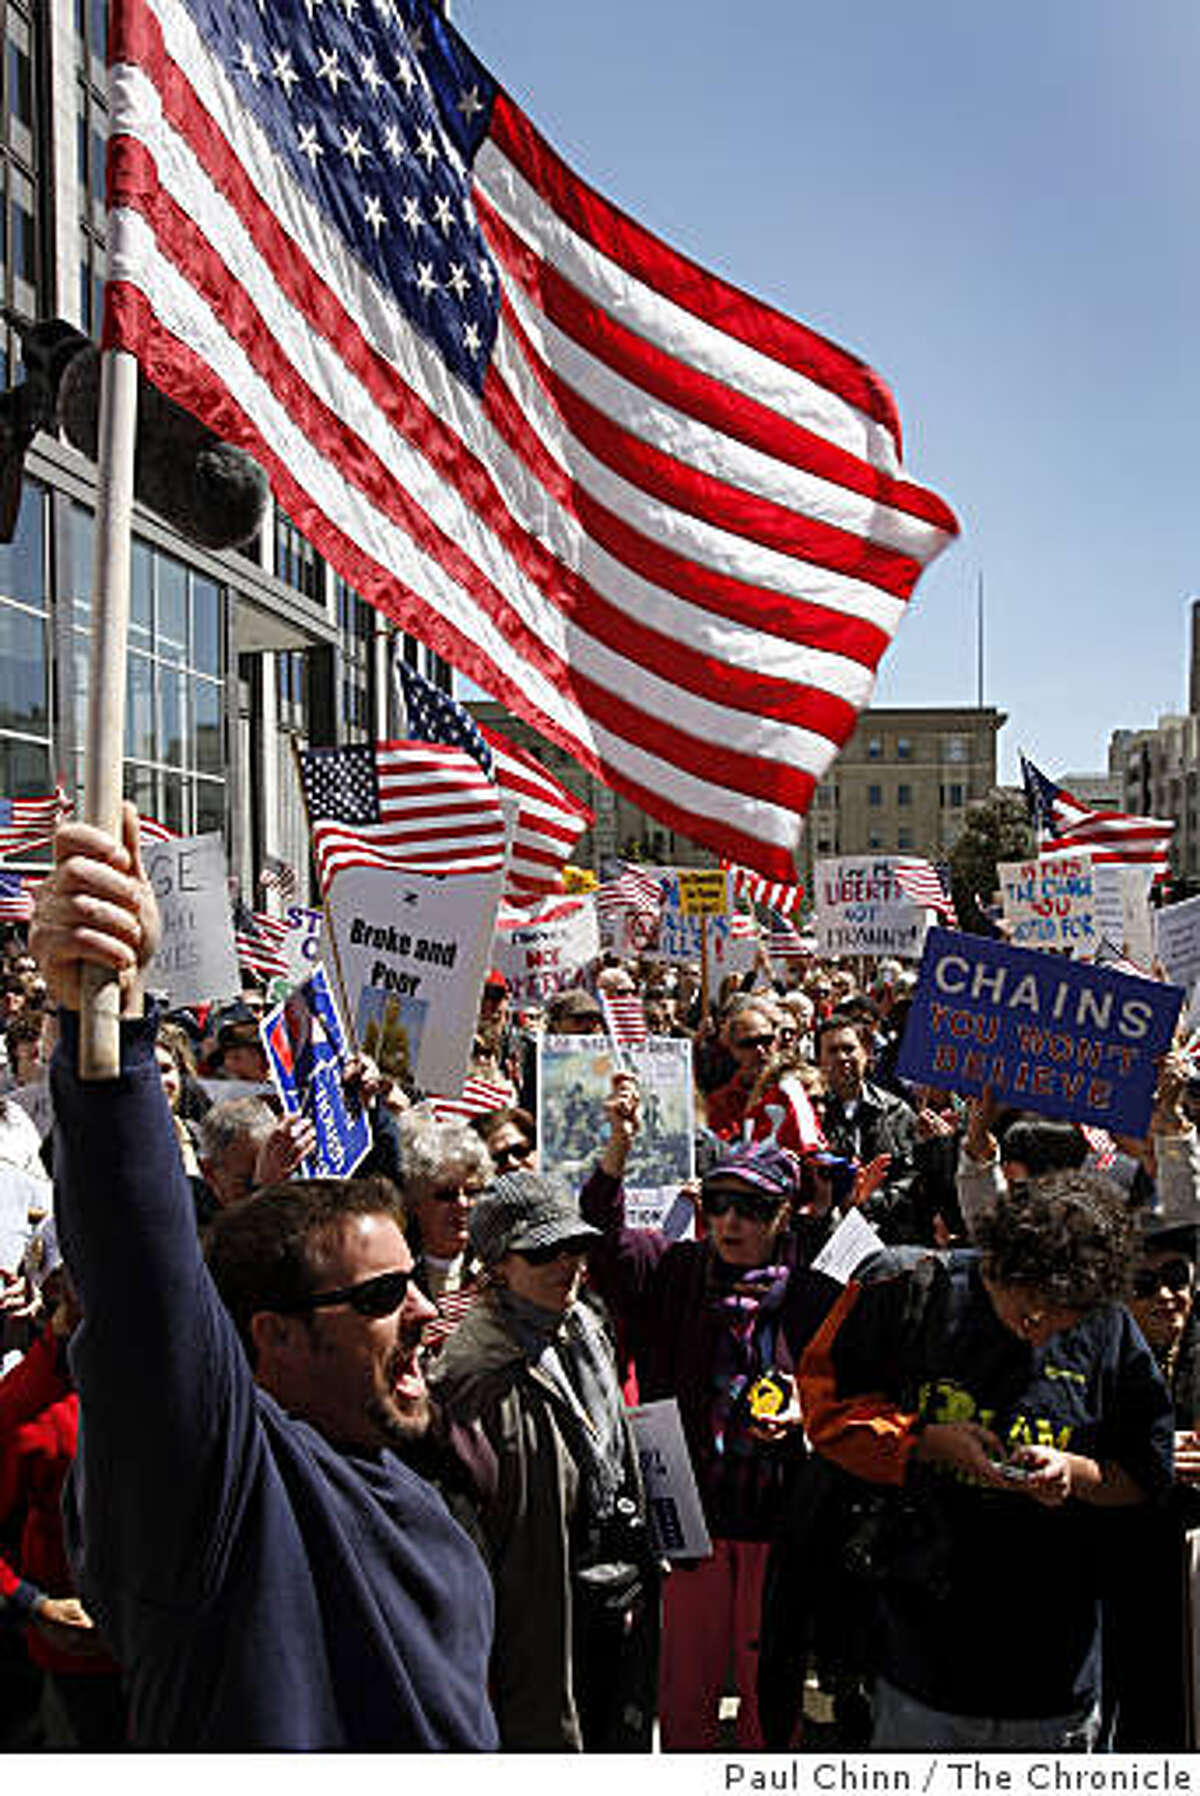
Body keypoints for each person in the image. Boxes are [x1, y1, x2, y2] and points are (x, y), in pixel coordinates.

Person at [30, 807, 497, 1749]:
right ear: (272, 1337)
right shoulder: (220, 1498)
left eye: (409, 1280)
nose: (420, 1310)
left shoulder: (418, 1495)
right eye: (378, 1295)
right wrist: (103, 1015)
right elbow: (143, 1285)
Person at [798, 1171, 1174, 1750]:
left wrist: (1073, 1474)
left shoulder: (1110, 1327)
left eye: (1061, 1326)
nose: (1038, 1335)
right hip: (919, 1670)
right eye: (1027, 1314)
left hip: (1055, 1682)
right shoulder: (906, 1287)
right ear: (999, 1264)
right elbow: (826, 1415)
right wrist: (923, 1441)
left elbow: (1146, 1474)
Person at [581, 1112, 835, 1750]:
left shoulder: (815, 1297)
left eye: (752, 1208)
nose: (730, 1222)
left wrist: (806, 1413)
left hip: (778, 1520)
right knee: (685, 1686)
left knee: (767, 1690)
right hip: (691, 1517)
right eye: (719, 1203)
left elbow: (851, 1394)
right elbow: (604, 1244)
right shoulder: (677, 1272)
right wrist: (618, 1150)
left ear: (784, 1214)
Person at [429, 1170, 659, 1751]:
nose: (568, 1264)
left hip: (613, 1599)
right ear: (496, 1266)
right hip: (537, 1623)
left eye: (575, 1246)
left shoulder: (586, 1328)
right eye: (543, 1252)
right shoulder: (473, 1378)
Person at [813, 1013, 919, 1240]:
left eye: (849, 1049)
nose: (842, 1058)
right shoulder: (810, 1113)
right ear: (819, 1059)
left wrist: (867, 1202)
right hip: (826, 1238)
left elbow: (911, 1176)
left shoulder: (896, 1111)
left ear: (866, 1053)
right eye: (832, 1051)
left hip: (889, 1237)